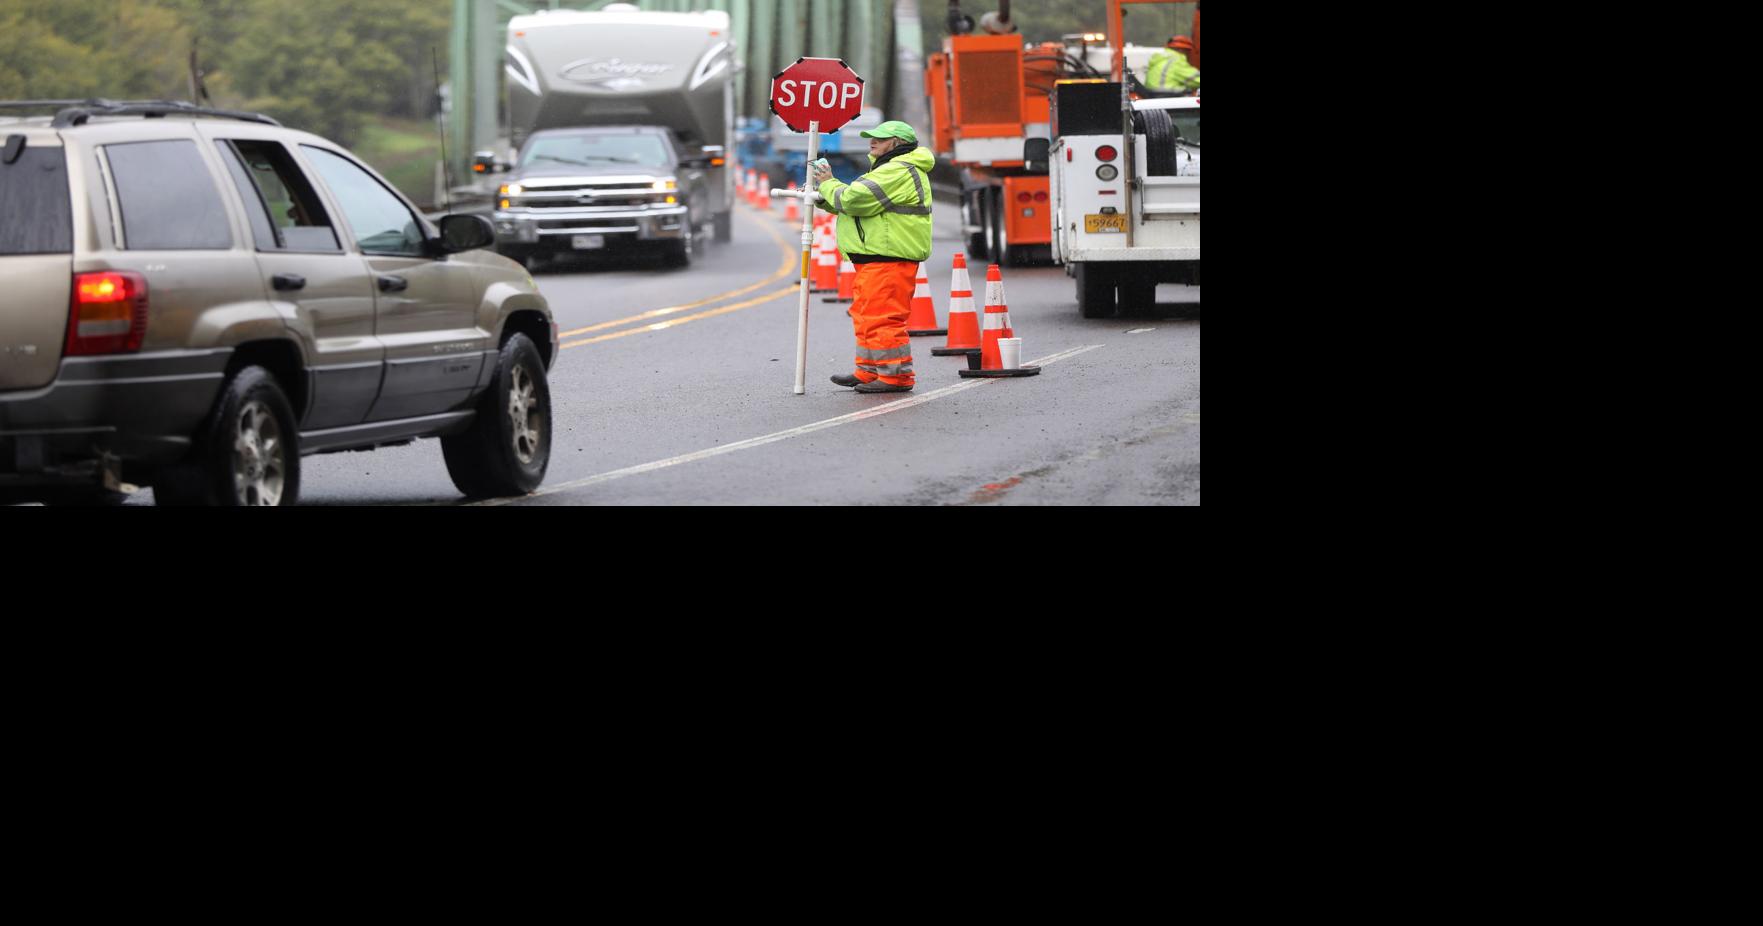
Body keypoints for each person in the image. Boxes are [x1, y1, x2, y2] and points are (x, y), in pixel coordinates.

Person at [810, 120, 934, 394]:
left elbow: (854, 199)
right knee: (866, 315)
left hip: (888, 259)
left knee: (883, 318)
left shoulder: (898, 170)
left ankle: (895, 377)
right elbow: (855, 206)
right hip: (875, 260)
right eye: (871, 137)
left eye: (880, 138)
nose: (872, 141)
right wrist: (822, 196)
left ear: (897, 143)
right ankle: (869, 370)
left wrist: (828, 183)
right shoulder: (888, 170)